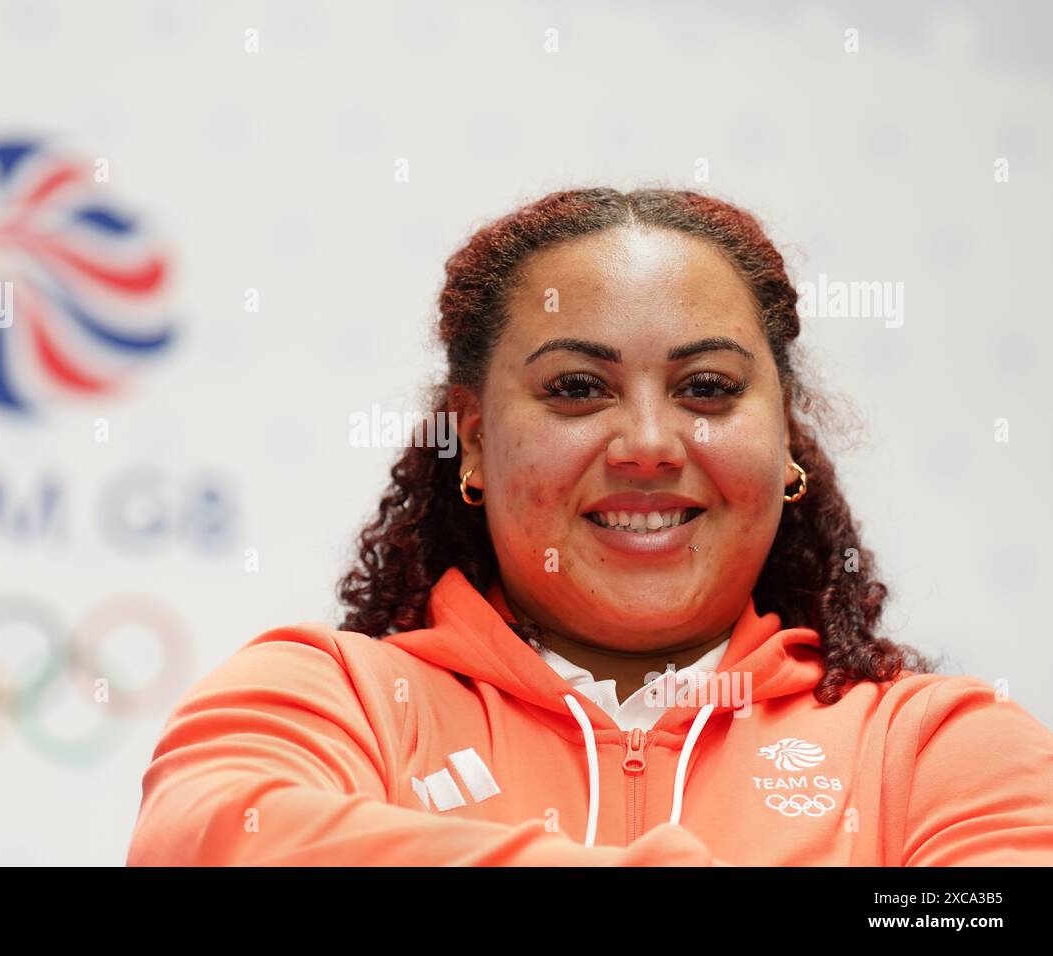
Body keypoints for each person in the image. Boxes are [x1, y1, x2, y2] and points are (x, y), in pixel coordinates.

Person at [126, 187, 1053, 865]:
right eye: (577, 388)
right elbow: (204, 839)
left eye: (708, 389)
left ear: (786, 439)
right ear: (477, 442)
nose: (649, 444)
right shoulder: (335, 699)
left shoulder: (936, 745)